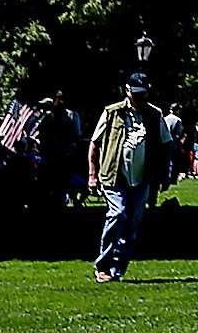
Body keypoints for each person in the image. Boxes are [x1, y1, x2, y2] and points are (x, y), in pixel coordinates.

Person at [86, 72, 168, 284]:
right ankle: (103, 266)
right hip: (113, 177)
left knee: (132, 225)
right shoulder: (112, 112)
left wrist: (164, 174)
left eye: (144, 93)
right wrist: (92, 175)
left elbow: (166, 144)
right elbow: (94, 143)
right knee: (117, 213)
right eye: (136, 93)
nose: (140, 97)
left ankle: (117, 269)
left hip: (141, 179)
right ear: (127, 91)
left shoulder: (155, 114)